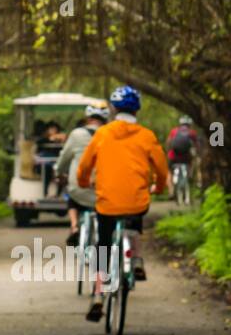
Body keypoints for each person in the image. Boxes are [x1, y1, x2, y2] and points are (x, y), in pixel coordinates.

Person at [76, 85, 169, 321]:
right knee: (135, 213)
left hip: (107, 202)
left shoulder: (102, 134)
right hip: (136, 200)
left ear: (114, 109)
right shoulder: (147, 136)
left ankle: (97, 294)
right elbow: (160, 168)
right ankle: (135, 258)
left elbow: (85, 166)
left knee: (103, 244)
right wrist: (158, 187)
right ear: (137, 111)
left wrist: (84, 182)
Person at [55, 105, 110, 244]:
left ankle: (74, 226)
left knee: (71, 195)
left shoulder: (77, 134)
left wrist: (58, 172)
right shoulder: (111, 134)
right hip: (105, 190)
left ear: (87, 118)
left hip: (80, 188)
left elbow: (64, 158)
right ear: (105, 119)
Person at [166, 114, 200, 192]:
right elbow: (196, 145)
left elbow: (168, 142)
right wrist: (197, 153)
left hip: (173, 156)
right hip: (186, 157)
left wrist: (168, 151)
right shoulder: (192, 132)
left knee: (169, 171)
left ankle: (170, 190)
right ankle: (190, 176)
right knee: (192, 162)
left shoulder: (174, 131)